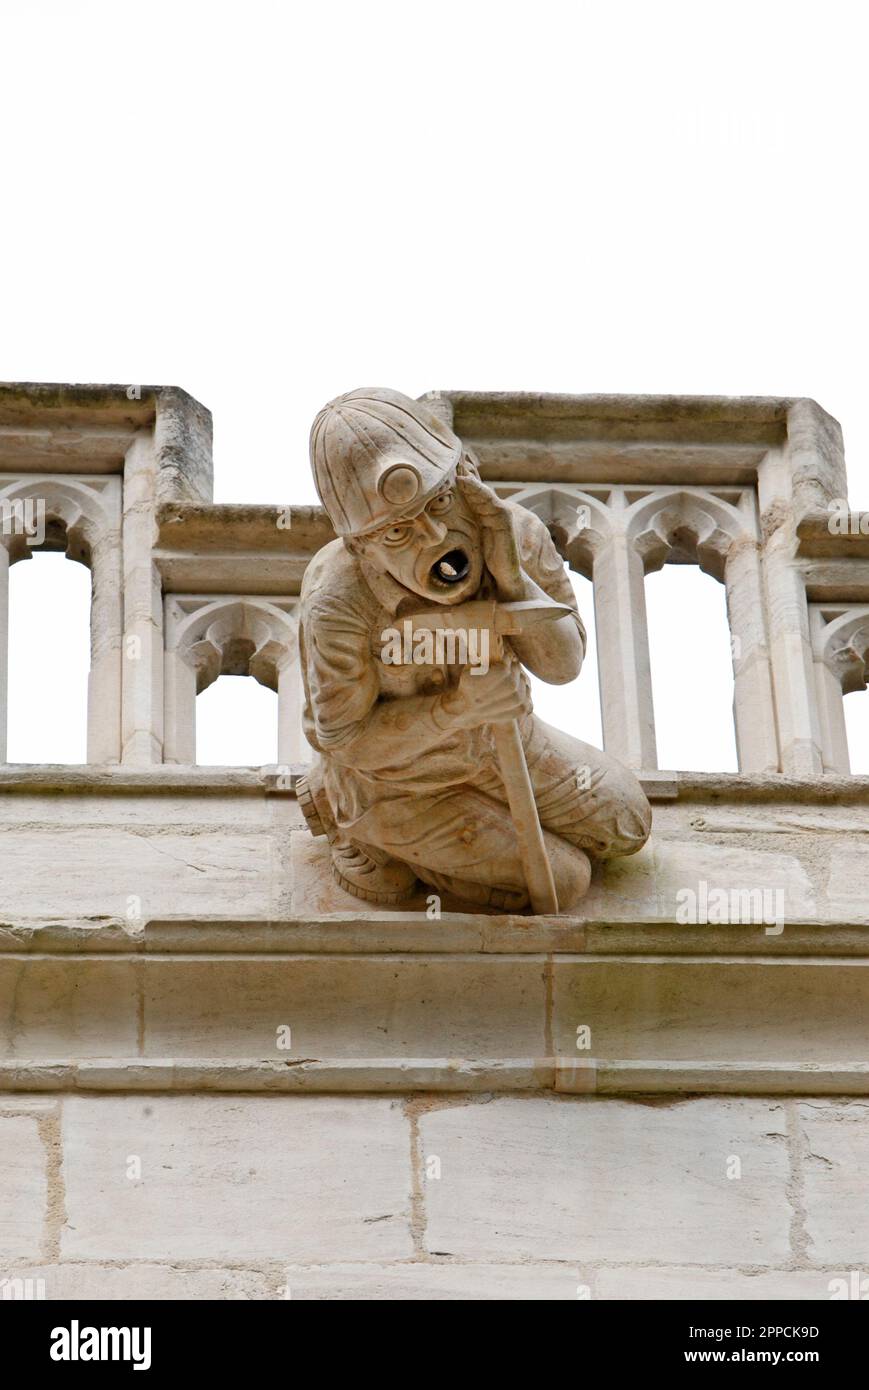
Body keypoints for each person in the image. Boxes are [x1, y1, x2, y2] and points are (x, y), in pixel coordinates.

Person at [297, 387, 651, 910]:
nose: (435, 536)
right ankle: (348, 817)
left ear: (469, 476)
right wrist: (455, 710)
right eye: (397, 532)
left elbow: (564, 665)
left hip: (507, 742)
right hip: (398, 782)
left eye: (441, 502)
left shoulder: (515, 533)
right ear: (361, 546)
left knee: (627, 824)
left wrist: (512, 580)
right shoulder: (338, 600)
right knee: (565, 880)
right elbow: (347, 739)